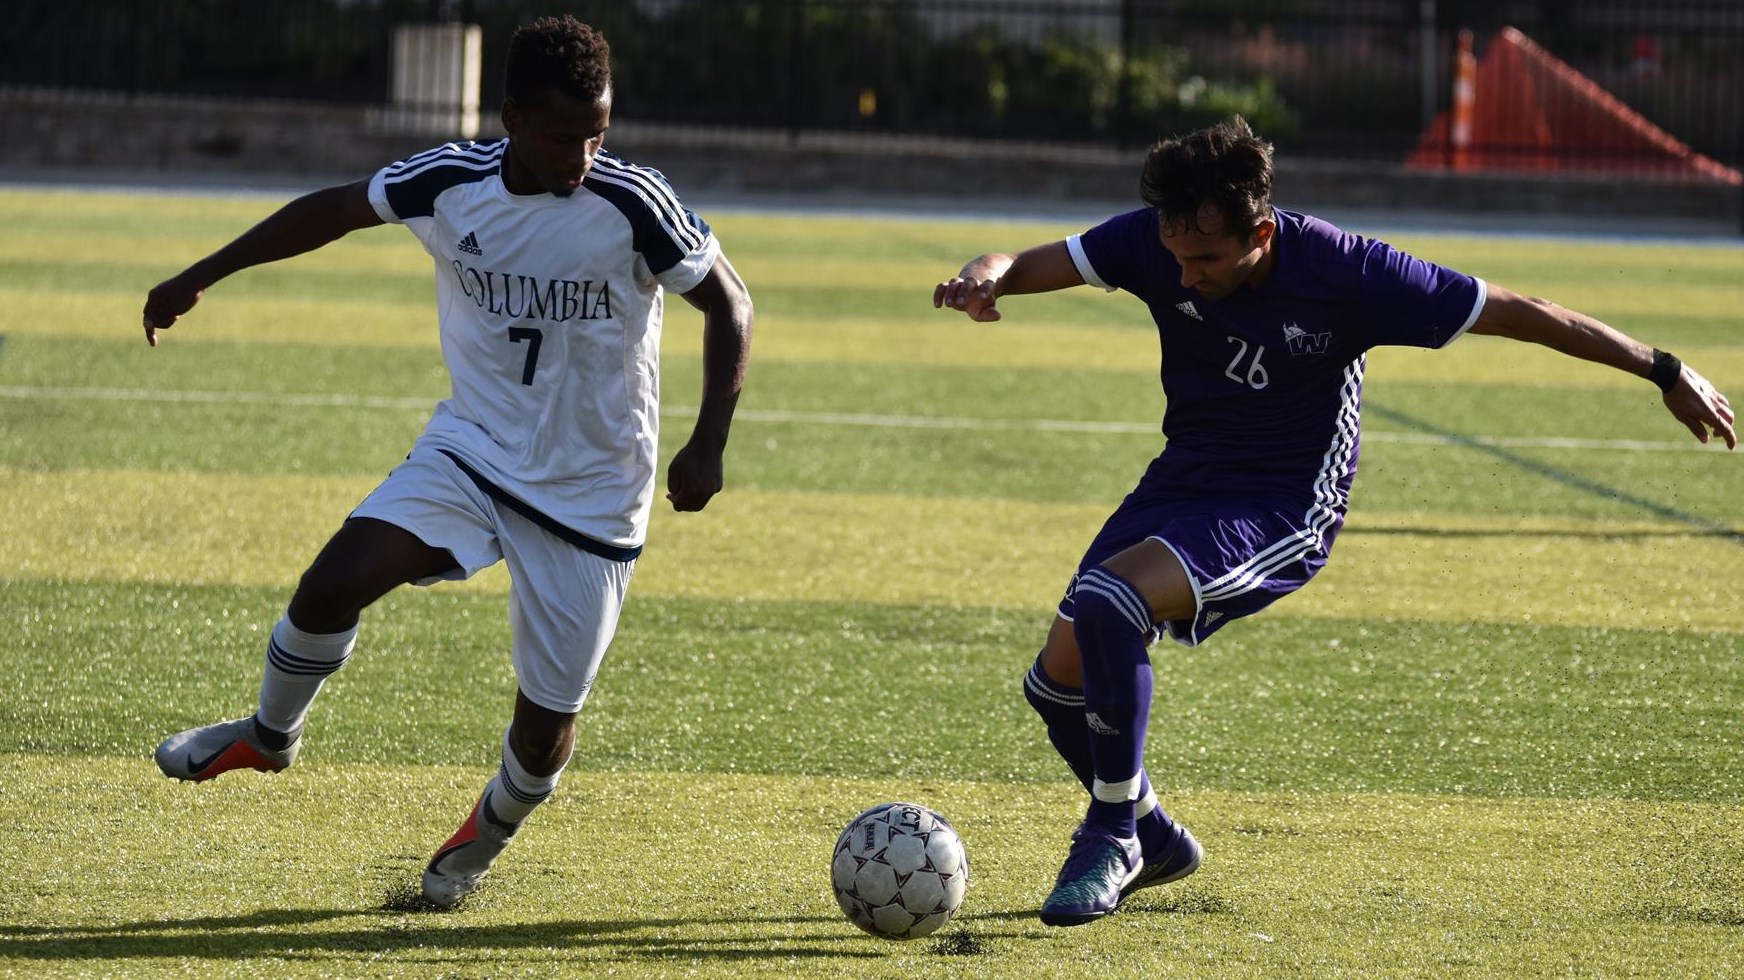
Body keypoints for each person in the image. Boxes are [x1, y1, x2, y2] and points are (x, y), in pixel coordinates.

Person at [932, 116, 1734, 927]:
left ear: (1263, 233)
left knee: (1110, 603)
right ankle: (1155, 835)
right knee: (1056, 685)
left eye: (1206, 260)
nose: (1186, 273)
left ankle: (1111, 833)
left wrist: (1661, 369)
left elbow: (1519, 311)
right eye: (1176, 258)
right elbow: (1037, 260)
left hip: (1283, 502)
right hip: (1183, 478)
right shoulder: (1161, 239)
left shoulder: (1351, 272)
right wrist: (983, 275)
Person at [143, 15, 753, 909]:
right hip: (474, 451)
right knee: (331, 582)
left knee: (544, 733)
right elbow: (332, 211)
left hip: (591, 495)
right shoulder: (452, 182)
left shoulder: (632, 203)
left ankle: (476, 845)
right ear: (510, 115)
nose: (583, 152)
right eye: (562, 133)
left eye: (599, 131)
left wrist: (708, 444)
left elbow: (731, 305)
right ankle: (269, 737)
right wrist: (205, 270)